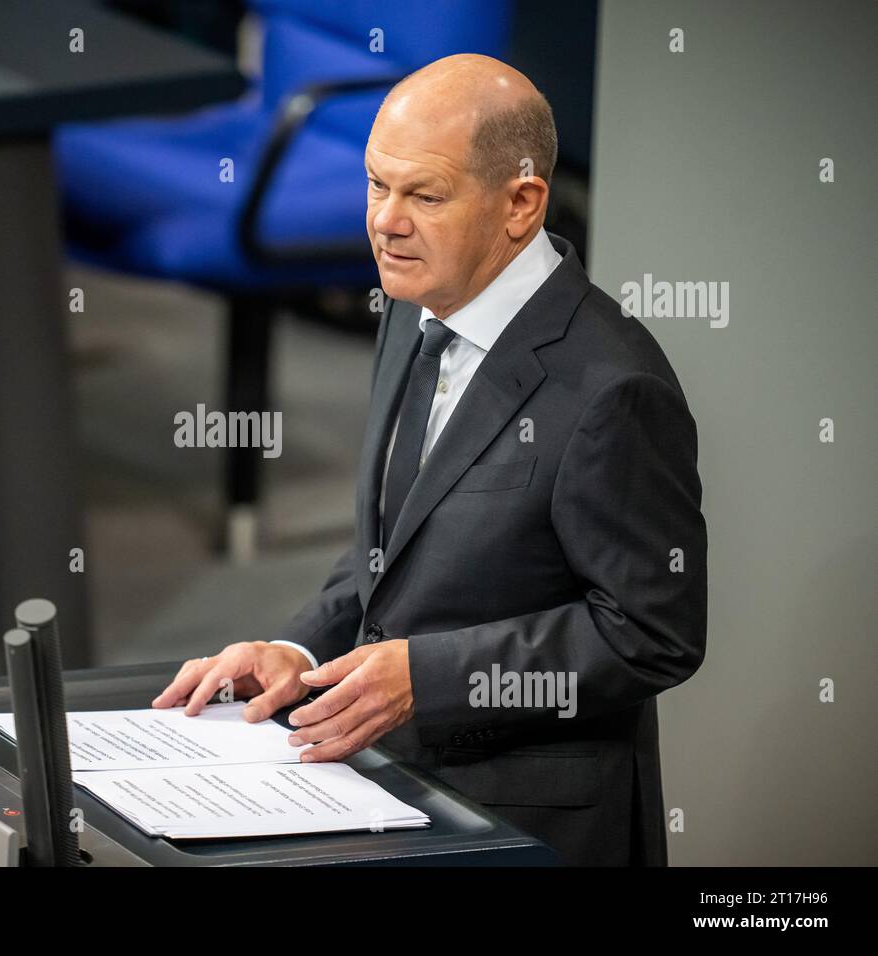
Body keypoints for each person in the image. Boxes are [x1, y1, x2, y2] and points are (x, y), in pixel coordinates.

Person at [153, 53, 707, 866]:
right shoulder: (412, 306)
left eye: (424, 195)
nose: (385, 220)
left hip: (527, 826)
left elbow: (653, 633)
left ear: (520, 204)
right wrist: (300, 654)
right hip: (385, 785)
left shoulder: (613, 389)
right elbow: (395, 545)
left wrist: (430, 676)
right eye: (378, 186)